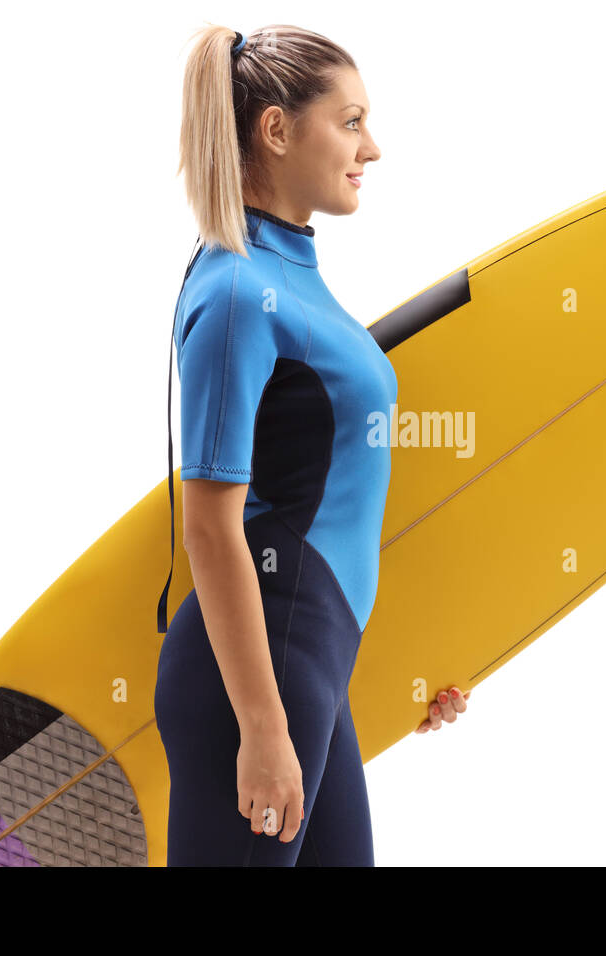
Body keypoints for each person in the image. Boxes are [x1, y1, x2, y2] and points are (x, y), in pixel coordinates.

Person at [154, 23, 471, 867]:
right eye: (353, 121)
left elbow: (337, 509)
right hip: (256, 684)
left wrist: (408, 670)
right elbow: (212, 528)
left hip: (308, 666)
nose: (374, 147)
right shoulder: (234, 292)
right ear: (278, 130)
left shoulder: (293, 278)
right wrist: (261, 728)